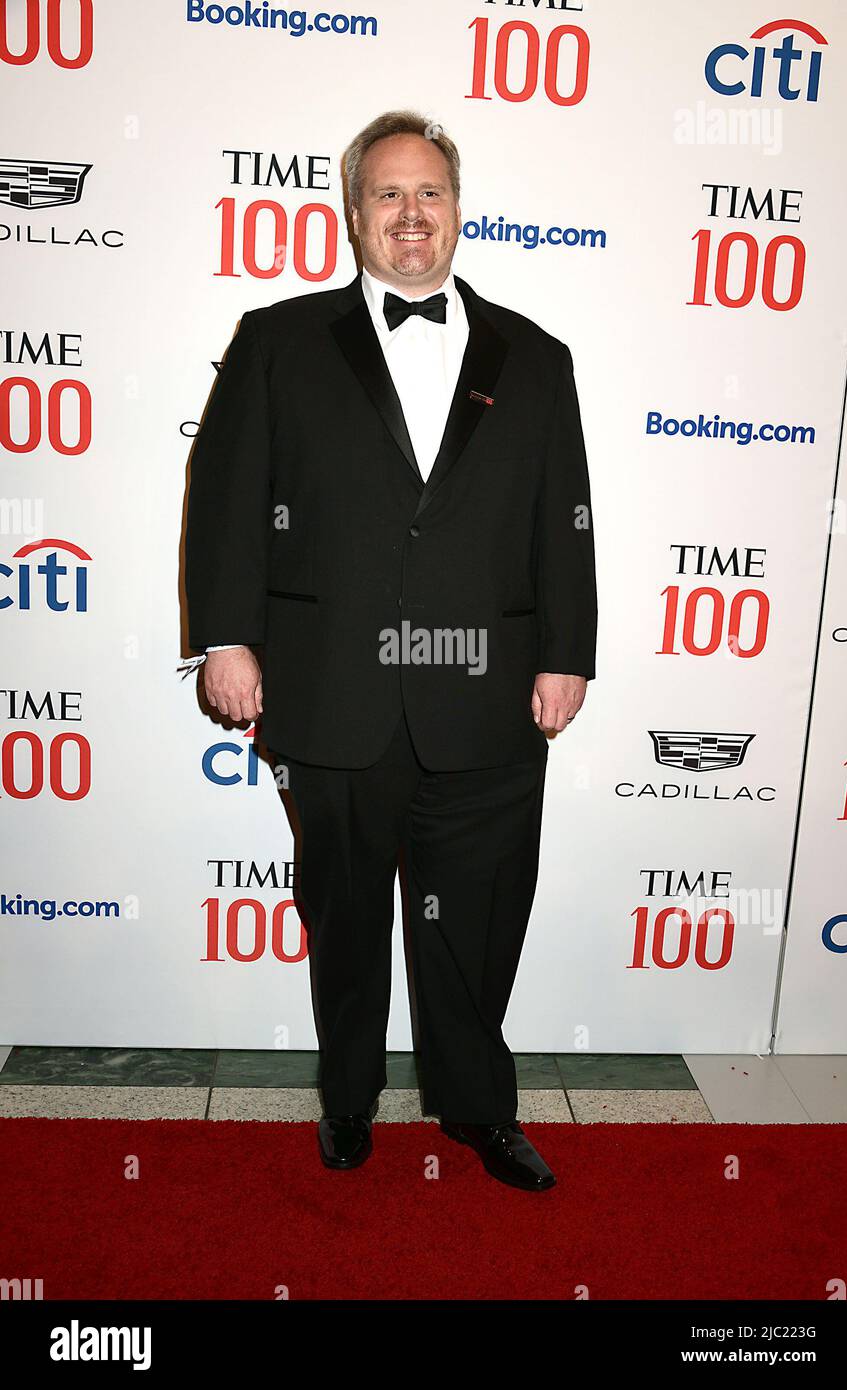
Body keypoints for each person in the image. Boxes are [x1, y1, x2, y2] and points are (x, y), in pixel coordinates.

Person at [184, 110, 597, 1193]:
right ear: (353, 212)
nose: (410, 216)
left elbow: (564, 518)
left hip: (488, 698)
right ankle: (350, 1097)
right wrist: (228, 638)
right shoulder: (277, 340)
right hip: (331, 693)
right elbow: (225, 500)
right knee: (348, 913)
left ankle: (477, 1108)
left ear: (456, 208)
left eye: (430, 194)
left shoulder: (536, 357)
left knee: (476, 921)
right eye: (386, 195)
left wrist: (567, 654)